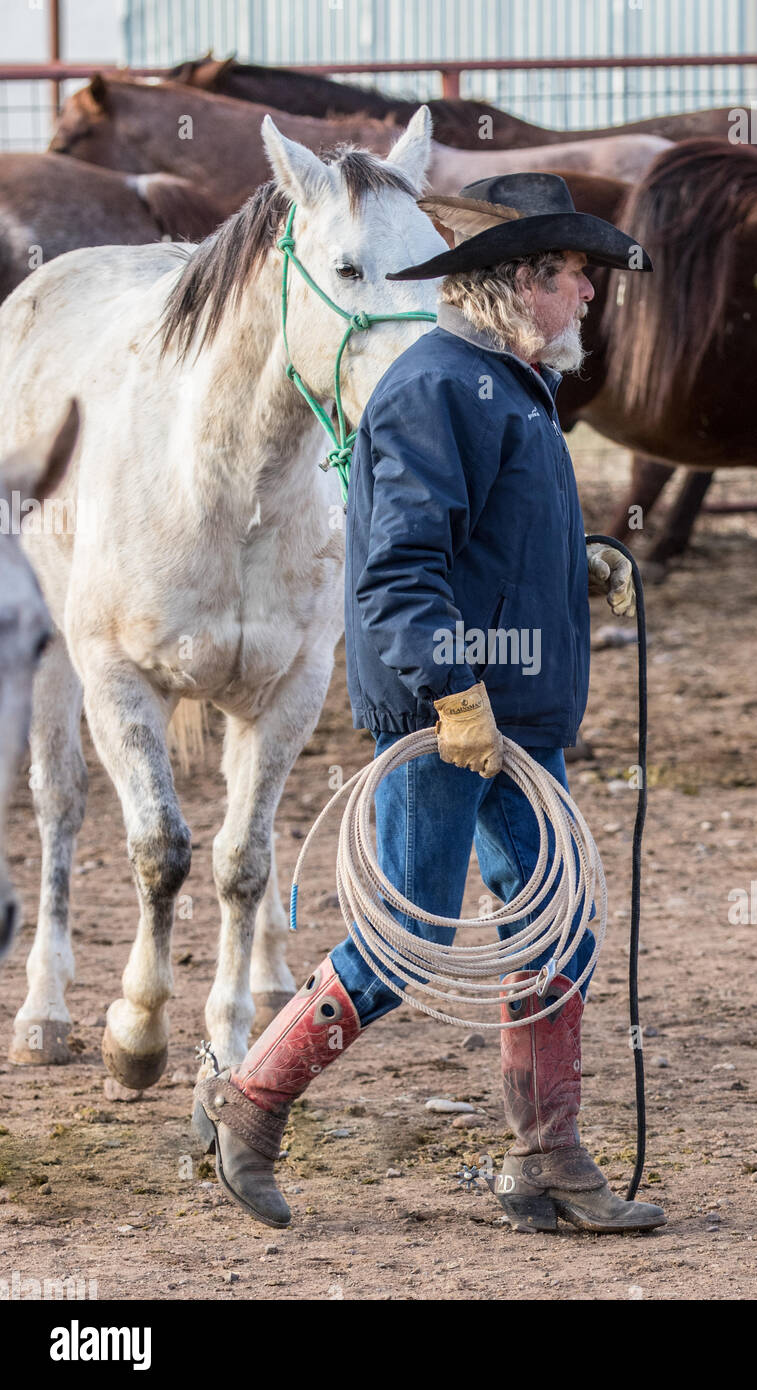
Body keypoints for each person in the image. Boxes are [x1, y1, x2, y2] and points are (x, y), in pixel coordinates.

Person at [194, 172, 664, 1235]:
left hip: (512, 713)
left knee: (557, 925)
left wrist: (565, 559)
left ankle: (548, 1160)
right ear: (522, 280)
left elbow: (469, 537)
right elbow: (403, 574)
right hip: (451, 712)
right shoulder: (441, 386)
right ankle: (250, 1097)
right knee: (406, 938)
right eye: (576, 275)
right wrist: (455, 693)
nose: (591, 295)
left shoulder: (503, 383)